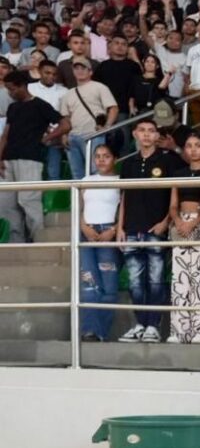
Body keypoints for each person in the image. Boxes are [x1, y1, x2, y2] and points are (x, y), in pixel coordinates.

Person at [116, 117, 184, 344]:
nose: (146, 134)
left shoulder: (168, 160)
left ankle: (153, 326)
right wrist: (120, 227)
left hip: (156, 228)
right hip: (131, 228)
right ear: (134, 133)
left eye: (151, 131)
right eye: (142, 130)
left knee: (155, 280)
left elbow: (175, 194)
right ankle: (139, 323)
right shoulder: (128, 163)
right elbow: (123, 197)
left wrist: (166, 222)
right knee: (135, 281)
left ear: (158, 136)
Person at [167, 133, 200, 345]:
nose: (193, 149)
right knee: (180, 278)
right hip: (181, 224)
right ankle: (179, 331)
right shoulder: (178, 173)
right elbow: (172, 204)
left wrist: (193, 223)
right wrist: (178, 221)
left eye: (198, 145)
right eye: (189, 145)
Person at [0, 72, 62, 243]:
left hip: (30, 157)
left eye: (12, 89)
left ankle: (39, 240)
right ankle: (16, 243)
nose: (10, 93)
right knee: (6, 205)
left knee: (28, 200)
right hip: (8, 158)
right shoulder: (13, 107)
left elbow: (65, 123)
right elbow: (6, 134)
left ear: (22, 86)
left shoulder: (41, 105)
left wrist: (47, 138)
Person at [77, 143, 122, 342]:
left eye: (106, 156)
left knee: (109, 285)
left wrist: (113, 229)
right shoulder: (86, 180)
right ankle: (89, 331)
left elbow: (125, 209)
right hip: (86, 232)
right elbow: (78, 207)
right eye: (98, 156)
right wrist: (84, 227)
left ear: (115, 159)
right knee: (89, 284)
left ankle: (101, 332)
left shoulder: (121, 181)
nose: (101, 160)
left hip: (109, 231)